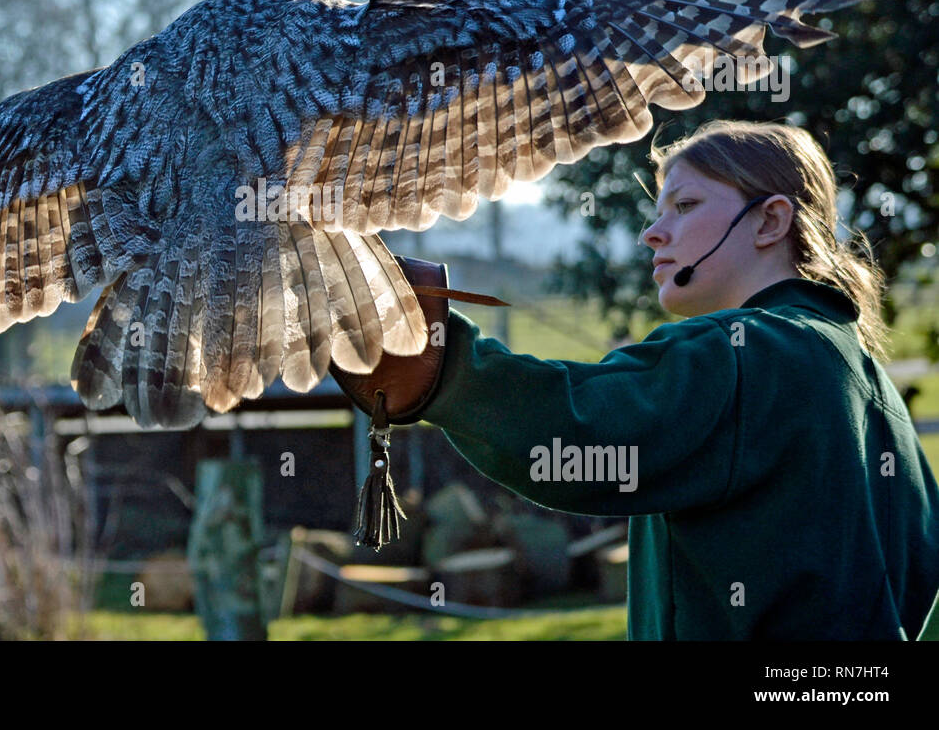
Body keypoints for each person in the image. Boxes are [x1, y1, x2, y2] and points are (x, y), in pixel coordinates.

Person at [333, 119, 939, 640]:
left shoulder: (754, 352)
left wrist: (436, 358)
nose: (653, 232)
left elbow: (575, 432)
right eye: (658, 211)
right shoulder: (867, 383)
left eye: (686, 206)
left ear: (769, 221)